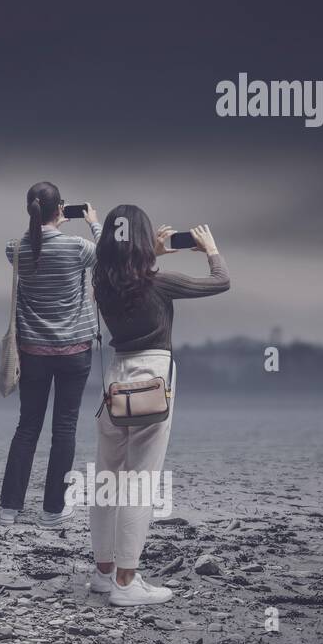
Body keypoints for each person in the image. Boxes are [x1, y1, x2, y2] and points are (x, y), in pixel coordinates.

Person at [91, 207, 230, 605]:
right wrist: (210, 248)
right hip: (153, 378)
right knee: (140, 482)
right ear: (141, 240)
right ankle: (126, 582)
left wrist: (147, 256)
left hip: (114, 381)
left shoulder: (102, 283)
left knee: (107, 479)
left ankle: (103, 574)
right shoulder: (160, 284)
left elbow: (122, 270)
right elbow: (221, 282)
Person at [0, 182, 101, 526]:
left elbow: (27, 242)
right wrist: (92, 221)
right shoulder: (78, 247)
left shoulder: (15, 249)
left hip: (33, 352)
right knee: (65, 428)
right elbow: (109, 254)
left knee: (27, 427)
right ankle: (52, 510)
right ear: (61, 209)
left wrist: (47, 222)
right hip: (74, 351)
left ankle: (9, 509)